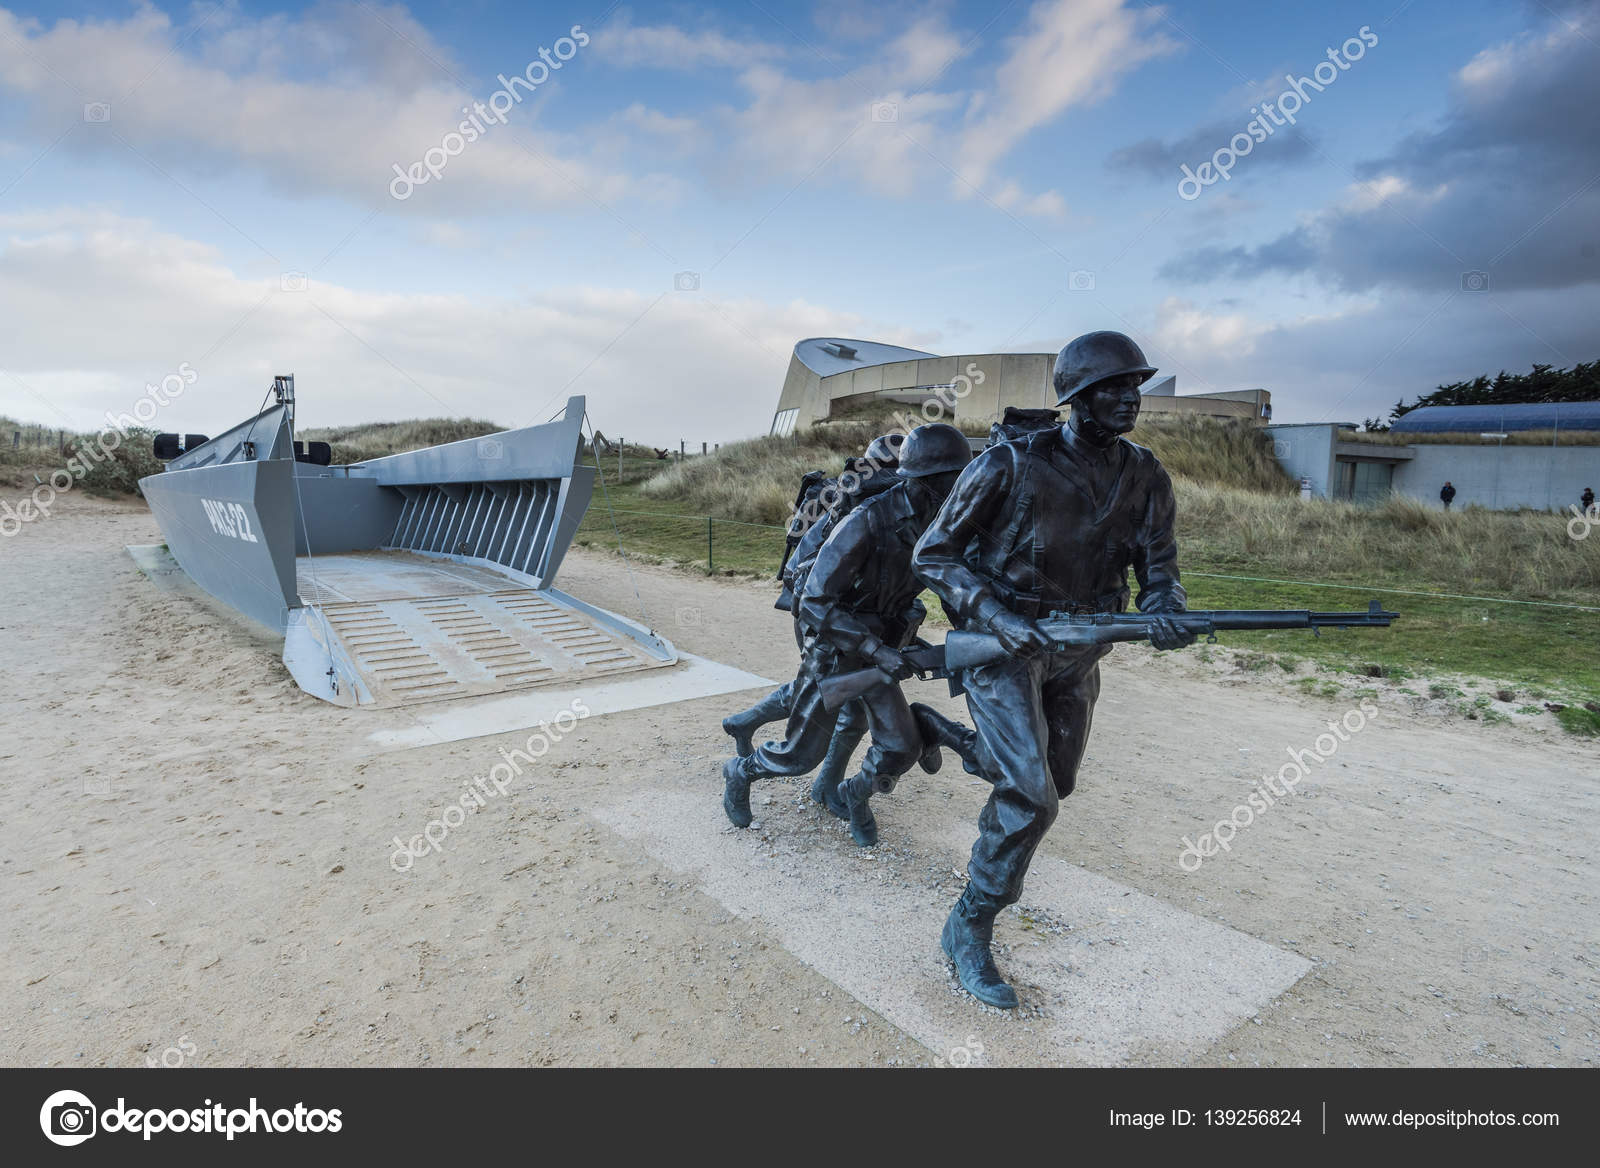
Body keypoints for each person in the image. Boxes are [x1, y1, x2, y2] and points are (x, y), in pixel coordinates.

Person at [913, 330, 1196, 1009]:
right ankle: (970, 923)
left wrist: (1166, 612)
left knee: (1055, 781)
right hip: (1003, 647)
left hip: (1081, 649)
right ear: (1077, 397)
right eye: (1114, 388)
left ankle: (957, 740)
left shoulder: (1146, 475)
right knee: (1032, 797)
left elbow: (1160, 572)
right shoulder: (1010, 463)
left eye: (1136, 386)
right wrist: (992, 613)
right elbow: (934, 553)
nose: (1131, 398)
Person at [722, 424, 973, 846]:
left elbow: (951, 585)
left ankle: (850, 794)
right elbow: (817, 601)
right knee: (799, 755)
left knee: (899, 746)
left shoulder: (939, 524)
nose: (964, 488)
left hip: (881, 652)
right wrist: (874, 648)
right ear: (927, 480)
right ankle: (740, 771)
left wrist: (970, 637)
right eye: (955, 478)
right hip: (836, 650)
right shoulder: (867, 520)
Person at [721, 433, 915, 816]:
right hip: (824, 622)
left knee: (840, 700)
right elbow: (805, 581)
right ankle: (752, 761)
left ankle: (820, 779)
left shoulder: (903, 511)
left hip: (864, 627)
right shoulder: (855, 510)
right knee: (820, 702)